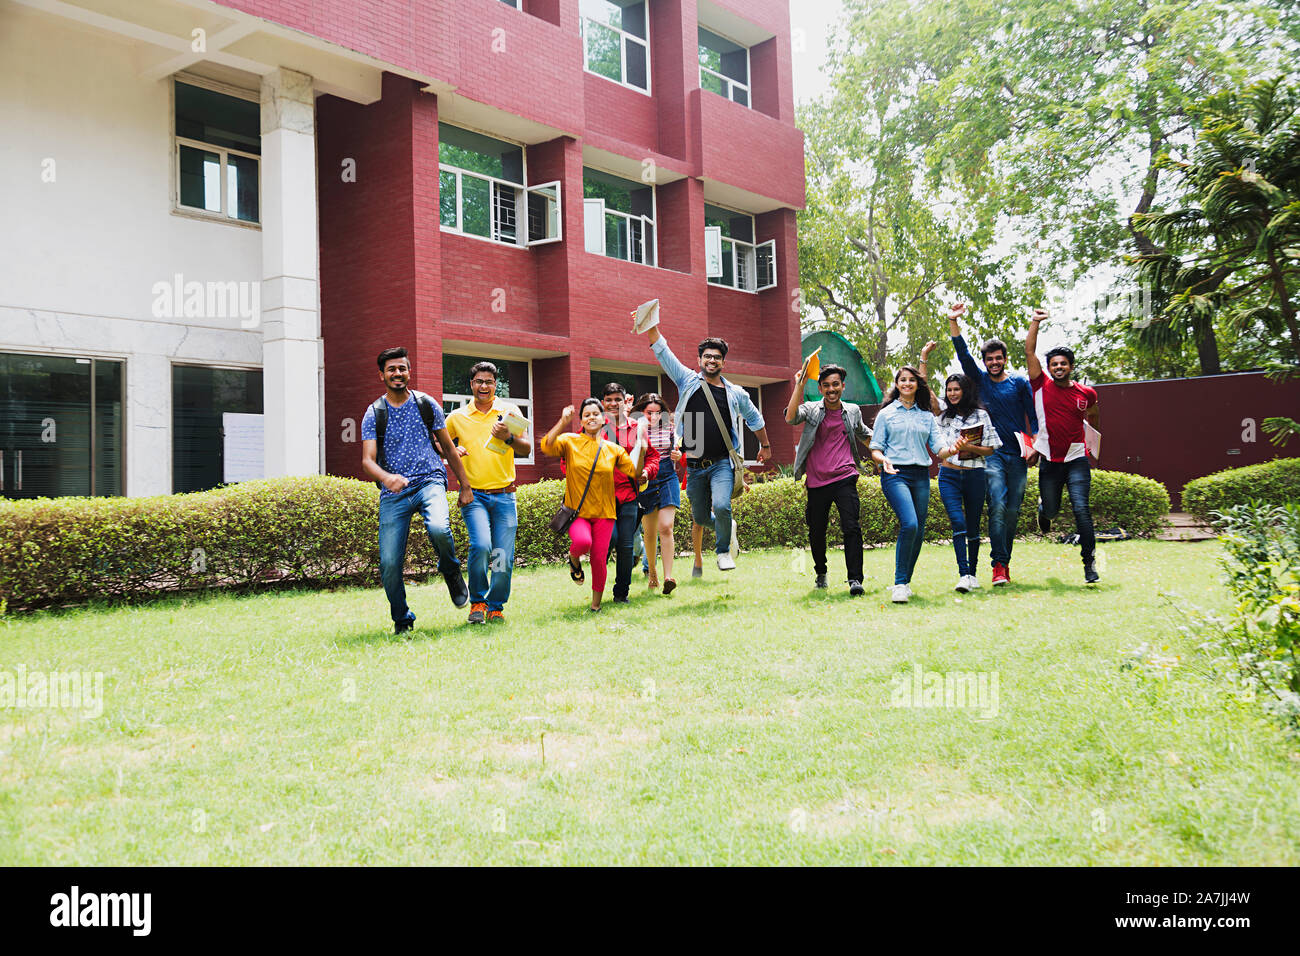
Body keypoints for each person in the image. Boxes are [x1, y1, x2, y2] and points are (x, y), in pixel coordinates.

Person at [641, 322, 770, 575]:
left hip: (722, 462)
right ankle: (726, 527)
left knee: (721, 505)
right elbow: (663, 352)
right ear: (699, 359)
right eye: (708, 356)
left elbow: (755, 419)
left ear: (723, 362)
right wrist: (650, 325)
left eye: (717, 357)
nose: (712, 360)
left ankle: (722, 551)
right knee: (700, 518)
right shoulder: (687, 380)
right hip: (695, 466)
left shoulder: (736, 393)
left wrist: (765, 445)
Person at [361, 347, 475, 634]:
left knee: (439, 527)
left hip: (429, 481)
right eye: (391, 369)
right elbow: (367, 461)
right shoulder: (374, 412)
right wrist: (387, 479)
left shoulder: (427, 403)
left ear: (409, 372)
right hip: (394, 493)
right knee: (388, 563)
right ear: (381, 375)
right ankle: (402, 619)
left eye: (402, 368)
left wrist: (465, 485)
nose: (397, 373)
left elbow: (448, 447)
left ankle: (451, 571)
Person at [948, 302, 1039, 587]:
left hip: (1018, 453)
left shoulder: (1020, 383)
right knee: (997, 504)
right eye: (989, 359)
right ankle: (997, 565)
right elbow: (963, 356)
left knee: (1012, 509)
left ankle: (1004, 561)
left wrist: (1035, 442)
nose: (994, 362)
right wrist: (953, 321)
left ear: (1005, 358)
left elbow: (1033, 417)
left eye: (998, 358)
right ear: (985, 361)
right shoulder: (980, 381)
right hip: (993, 455)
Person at [869, 366, 971, 603]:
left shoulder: (926, 416)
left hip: (920, 476)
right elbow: (875, 447)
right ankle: (900, 583)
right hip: (895, 473)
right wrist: (883, 460)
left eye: (911, 380)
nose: (906, 383)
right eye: (902, 380)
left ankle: (906, 582)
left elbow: (939, 449)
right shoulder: (886, 414)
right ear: (897, 384)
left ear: (917, 384)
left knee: (919, 531)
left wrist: (955, 448)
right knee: (910, 523)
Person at [444, 361, 530, 624]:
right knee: (481, 546)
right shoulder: (457, 417)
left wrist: (508, 437)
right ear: (471, 385)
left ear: (495, 385)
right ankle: (477, 602)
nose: (484, 386)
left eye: (489, 382)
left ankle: (496, 606)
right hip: (474, 496)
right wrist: (451, 451)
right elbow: (437, 442)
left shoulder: (509, 412)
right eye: (479, 381)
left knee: (502, 555)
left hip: (505, 495)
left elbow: (525, 449)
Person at [541, 399, 643, 611]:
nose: (591, 418)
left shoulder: (613, 449)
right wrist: (562, 421)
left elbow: (634, 472)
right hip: (578, 513)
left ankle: (595, 605)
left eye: (596, 413)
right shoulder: (570, 441)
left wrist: (641, 448)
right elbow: (547, 446)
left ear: (604, 419)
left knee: (599, 559)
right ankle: (573, 558)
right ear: (581, 420)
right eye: (586, 414)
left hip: (605, 514)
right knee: (582, 542)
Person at [1025, 310, 1101, 585]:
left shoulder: (1086, 393)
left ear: (1070, 366)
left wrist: (1093, 439)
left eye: (1063, 364)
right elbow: (1029, 351)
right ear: (1050, 367)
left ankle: (1089, 564)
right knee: (1053, 511)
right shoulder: (1040, 385)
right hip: (1049, 462)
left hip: (1077, 459)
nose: (1058, 367)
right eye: (1054, 364)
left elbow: (1093, 414)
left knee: (1082, 509)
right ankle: (1044, 509)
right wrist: (1036, 322)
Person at [917, 352, 1001, 592]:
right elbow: (924, 389)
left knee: (973, 526)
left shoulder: (981, 415)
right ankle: (963, 574)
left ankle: (973, 573)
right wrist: (924, 358)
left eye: (956, 389)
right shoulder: (942, 414)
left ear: (966, 390)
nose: (952, 393)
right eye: (949, 389)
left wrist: (970, 446)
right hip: (949, 476)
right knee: (958, 522)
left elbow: (990, 451)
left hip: (975, 475)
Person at [786, 362, 873, 596]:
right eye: (826, 385)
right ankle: (821, 572)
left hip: (845, 476)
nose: (831, 389)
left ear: (843, 386)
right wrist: (799, 386)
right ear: (820, 387)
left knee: (851, 527)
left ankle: (855, 579)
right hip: (817, 481)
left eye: (835, 385)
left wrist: (884, 453)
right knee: (816, 530)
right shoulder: (812, 409)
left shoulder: (852, 411)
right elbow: (791, 417)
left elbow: (865, 435)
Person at [600, 383, 660, 604]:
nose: (613, 404)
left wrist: (646, 471)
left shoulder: (638, 428)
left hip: (629, 496)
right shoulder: (595, 426)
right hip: (602, 497)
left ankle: (621, 593)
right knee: (609, 540)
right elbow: (571, 456)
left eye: (618, 399)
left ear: (624, 401)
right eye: (609, 400)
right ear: (603, 402)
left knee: (626, 545)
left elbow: (653, 457)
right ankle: (597, 587)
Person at [633, 393, 682, 594]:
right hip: (646, 478)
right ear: (641, 413)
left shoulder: (670, 429)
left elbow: (677, 453)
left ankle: (668, 576)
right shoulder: (635, 430)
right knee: (650, 532)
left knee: (666, 527)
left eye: (658, 413)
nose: (654, 417)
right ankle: (652, 572)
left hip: (668, 476)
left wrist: (678, 455)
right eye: (649, 413)